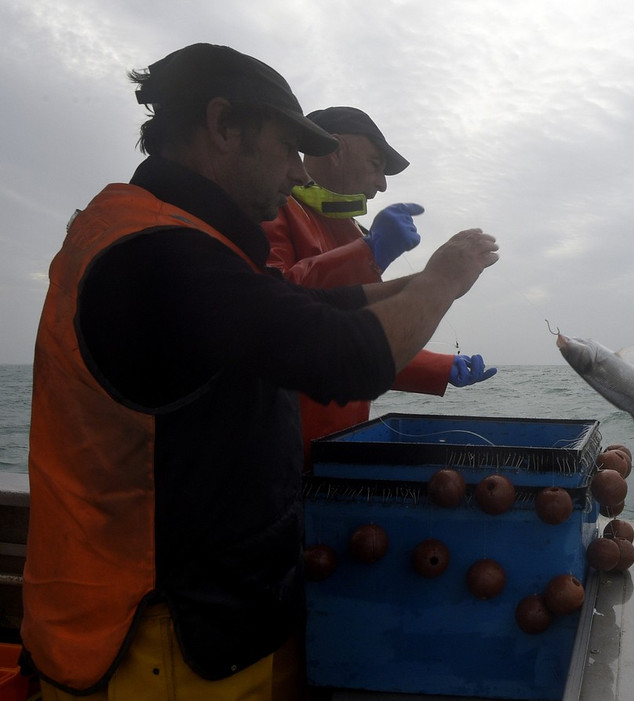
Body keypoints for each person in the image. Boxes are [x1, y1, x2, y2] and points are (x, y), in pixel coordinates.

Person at [22, 43, 497, 699]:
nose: (299, 168)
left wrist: (411, 283)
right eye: (287, 144)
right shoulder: (159, 253)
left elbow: (299, 304)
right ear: (222, 125)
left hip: (211, 621)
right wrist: (445, 280)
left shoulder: (171, 236)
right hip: (157, 635)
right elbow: (345, 357)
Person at [263, 106, 495, 459]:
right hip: (281, 449)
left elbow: (359, 341)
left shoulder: (355, 230)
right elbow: (278, 308)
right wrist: (370, 253)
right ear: (336, 149)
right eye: (375, 164)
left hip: (337, 450)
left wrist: (438, 367)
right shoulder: (271, 209)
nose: (383, 183)